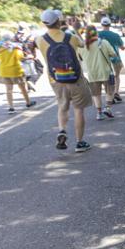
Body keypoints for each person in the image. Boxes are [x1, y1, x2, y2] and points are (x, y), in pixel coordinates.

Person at [36, 9, 92, 152]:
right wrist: (75, 29)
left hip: (56, 79)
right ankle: (80, 142)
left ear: (44, 23)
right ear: (59, 21)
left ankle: (62, 130)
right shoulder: (70, 37)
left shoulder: (40, 40)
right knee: (78, 109)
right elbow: (82, 44)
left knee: (62, 106)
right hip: (75, 78)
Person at [0, 31, 36, 114]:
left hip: (4, 71)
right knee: (23, 88)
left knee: (8, 90)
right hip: (16, 71)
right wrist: (29, 57)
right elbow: (21, 58)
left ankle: (11, 107)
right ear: (12, 38)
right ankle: (28, 102)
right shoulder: (16, 47)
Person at [82, 25, 116, 120]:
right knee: (110, 91)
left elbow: (79, 57)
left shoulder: (83, 45)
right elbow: (113, 53)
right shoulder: (104, 42)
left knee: (96, 94)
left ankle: (99, 113)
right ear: (96, 32)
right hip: (106, 72)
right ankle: (108, 108)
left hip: (92, 74)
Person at [98, 16, 125, 104]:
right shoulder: (115, 35)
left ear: (102, 24)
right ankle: (116, 92)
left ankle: (110, 95)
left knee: (106, 78)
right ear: (110, 24)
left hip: (102, 60)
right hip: (116, 59)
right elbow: (122, 47)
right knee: (116, 76)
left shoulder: (97, 35)